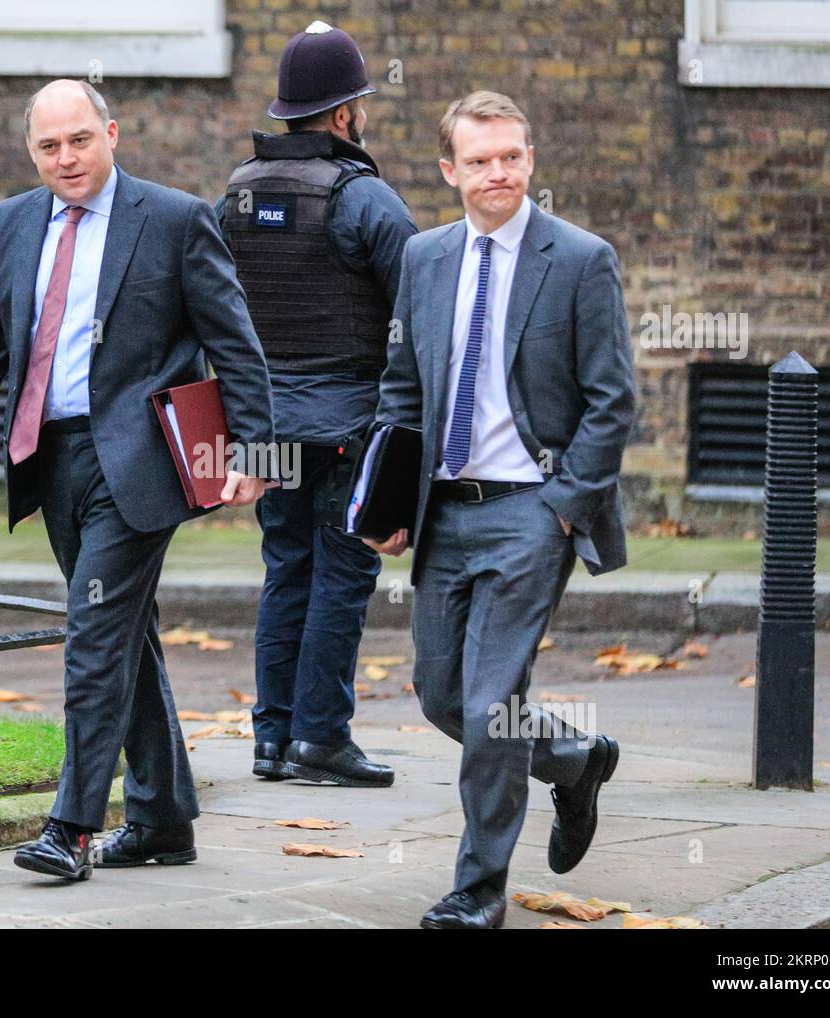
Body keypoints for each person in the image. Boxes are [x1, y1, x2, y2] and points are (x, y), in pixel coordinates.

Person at [0, 80, 275, 882]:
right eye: (49, 146)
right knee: (124, 637)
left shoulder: (177, 219)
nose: (66, 158)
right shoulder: (10, 224)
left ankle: (73, 828)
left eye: (80, 139)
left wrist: (253, 449)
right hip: (50, 459)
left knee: (91, 636)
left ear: (111, 133)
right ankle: (162, 822)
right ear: (31, 151)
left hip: (142, 462)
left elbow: (236, 340)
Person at [367, 91, 636, 928]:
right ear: (450, 170)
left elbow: (612, 400)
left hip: (532, 510)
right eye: (479, 160)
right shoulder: (423, 258)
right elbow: (403, 386)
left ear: (530, 160)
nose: (498, 173)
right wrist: (388, 493)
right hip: (445, 509)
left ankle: (477, 891)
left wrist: (564, 507)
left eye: (511, 157)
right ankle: (573, 757)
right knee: (443, 697)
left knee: (491, 704)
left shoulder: (581, 260)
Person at [216, 21, 418, 788]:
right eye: (357, 103)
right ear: (343, 114)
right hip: (345, 428)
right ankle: (322, 739)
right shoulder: (366, 201)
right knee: (341, 572)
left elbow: (214, 310)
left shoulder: (235, 194)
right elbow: (417, 318)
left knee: (284, 568)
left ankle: (272, 741)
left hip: (263, 427)